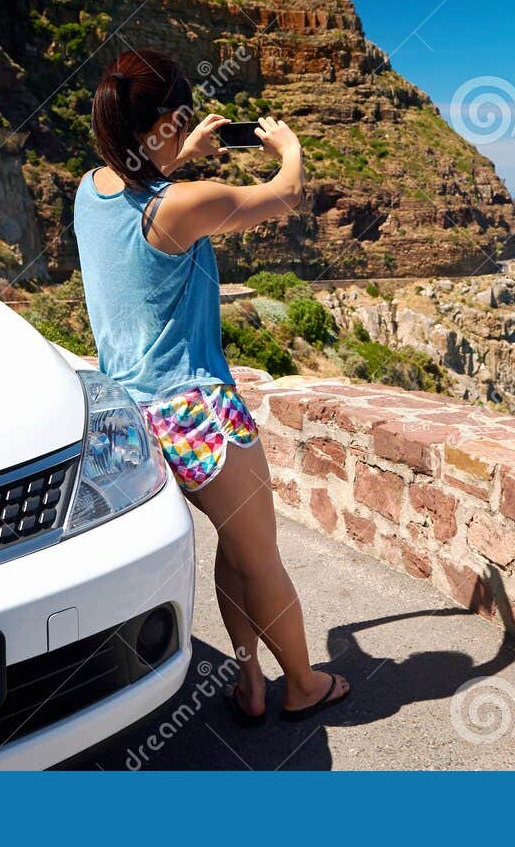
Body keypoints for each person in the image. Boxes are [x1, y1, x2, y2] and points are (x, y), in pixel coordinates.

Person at [73, 48, 351, 725]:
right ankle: (305, 682)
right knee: (260, 558)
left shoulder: (89, 189)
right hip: (200, 411)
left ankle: (250, 681)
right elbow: (283, 195)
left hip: (136, 418)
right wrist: (290, 147)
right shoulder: (182, 206)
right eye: (183, 117)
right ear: (166, 121)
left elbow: (145, 188)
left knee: (232, 544)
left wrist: (180, 153)